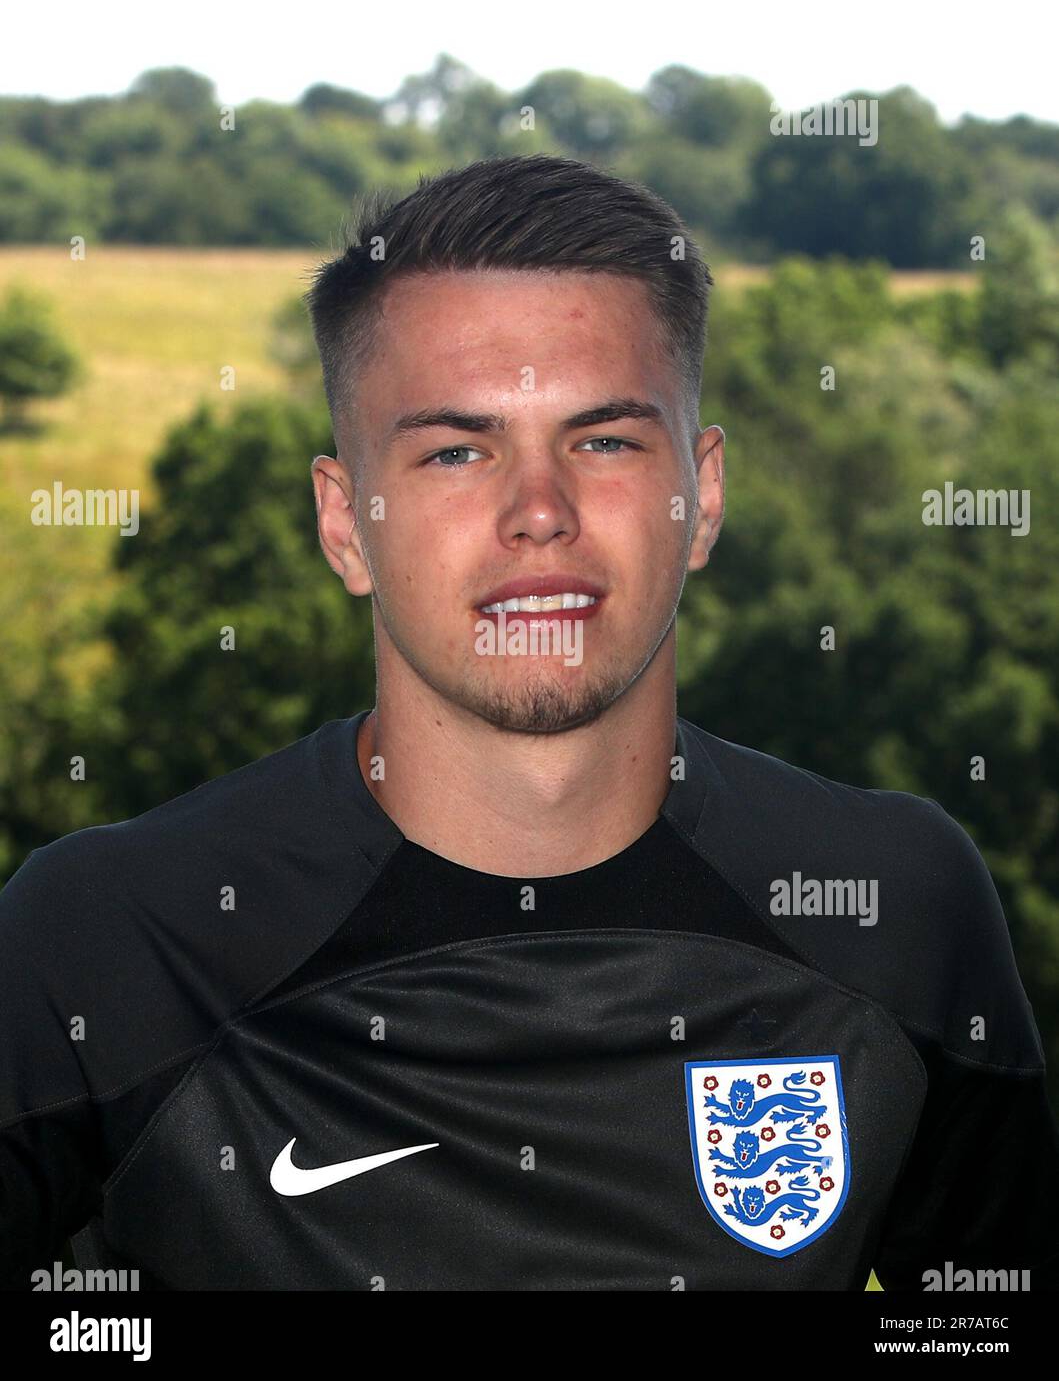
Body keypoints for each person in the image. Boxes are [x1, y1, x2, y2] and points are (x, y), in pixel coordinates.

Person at [1, 154, 1056, 1291]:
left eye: (603, 441)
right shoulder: (102, 939)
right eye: (457, 450)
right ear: (344, 522)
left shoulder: (898, 905)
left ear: (701, 498)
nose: (539, 514)